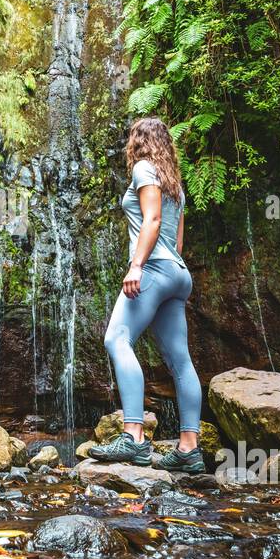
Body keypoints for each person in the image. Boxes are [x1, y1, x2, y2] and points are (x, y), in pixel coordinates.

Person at [89, 117, 205, 473]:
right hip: (178, 274)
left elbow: (152, 220)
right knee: (180, 361)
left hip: (153, 268)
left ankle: (134, 436)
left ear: (138, 142)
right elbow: (178, 242)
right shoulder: (175, 185)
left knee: (116, 338)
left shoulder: (143, 169)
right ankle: (189, 449)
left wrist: (137, 266)